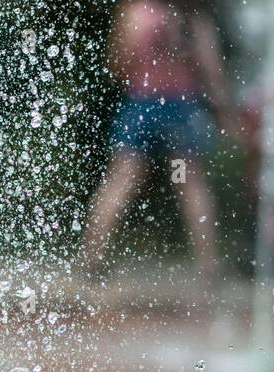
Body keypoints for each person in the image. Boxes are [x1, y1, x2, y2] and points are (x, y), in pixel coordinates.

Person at [82, 1, 238, 302]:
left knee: (121, 181)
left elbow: (118, 62)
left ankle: (92, 259)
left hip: (143, 103)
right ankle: (209, 268)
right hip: (183, 106)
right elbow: (211, 70)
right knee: (191, 185)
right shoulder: (192, 17)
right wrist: (224, 113)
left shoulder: (137, 12)